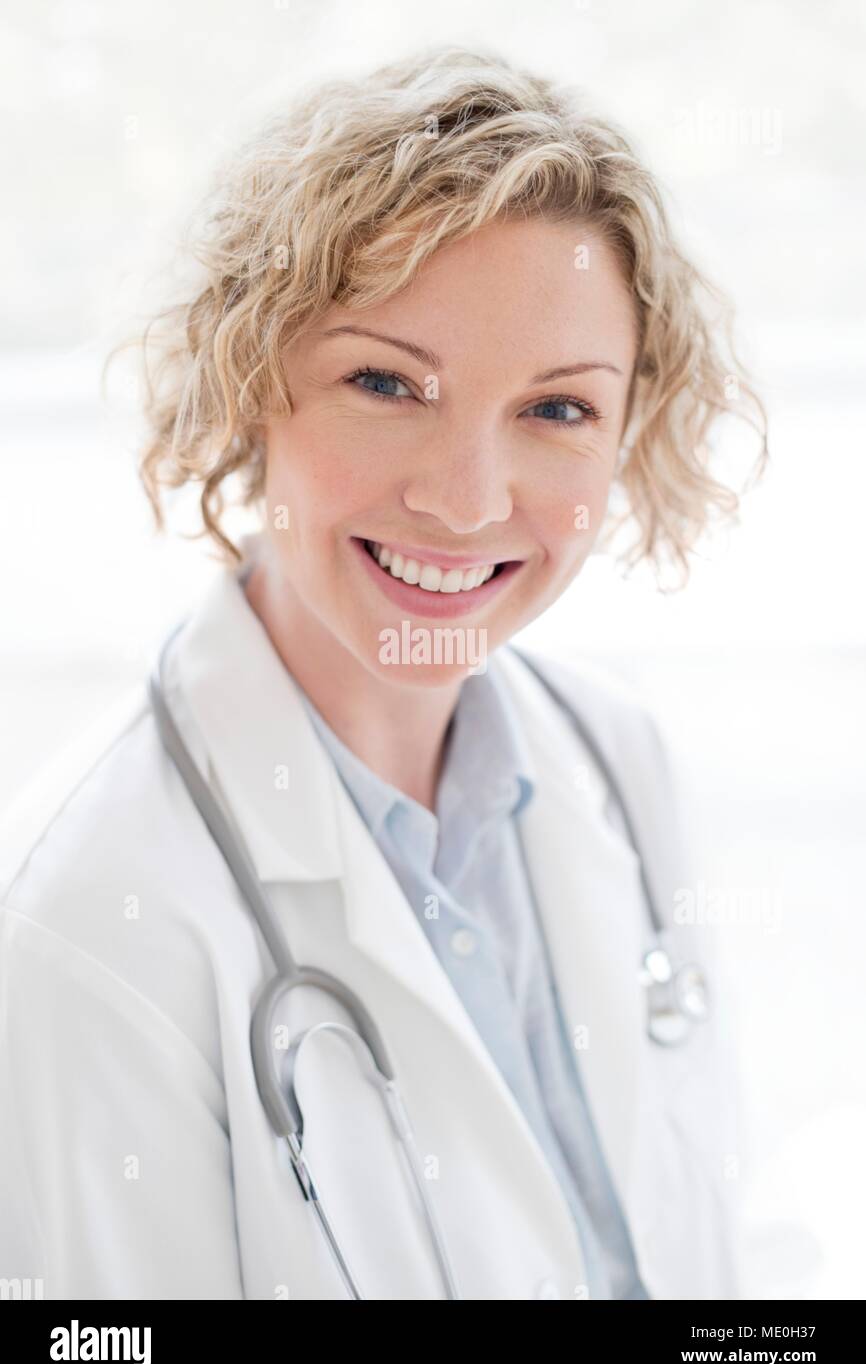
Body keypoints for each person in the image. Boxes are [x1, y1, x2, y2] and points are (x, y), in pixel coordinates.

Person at [0, 44, 767, 1300]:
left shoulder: (620, 764)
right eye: (383, 382)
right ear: (252, 381)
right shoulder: (89, 923)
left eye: (557, 408)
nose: (465, 502)